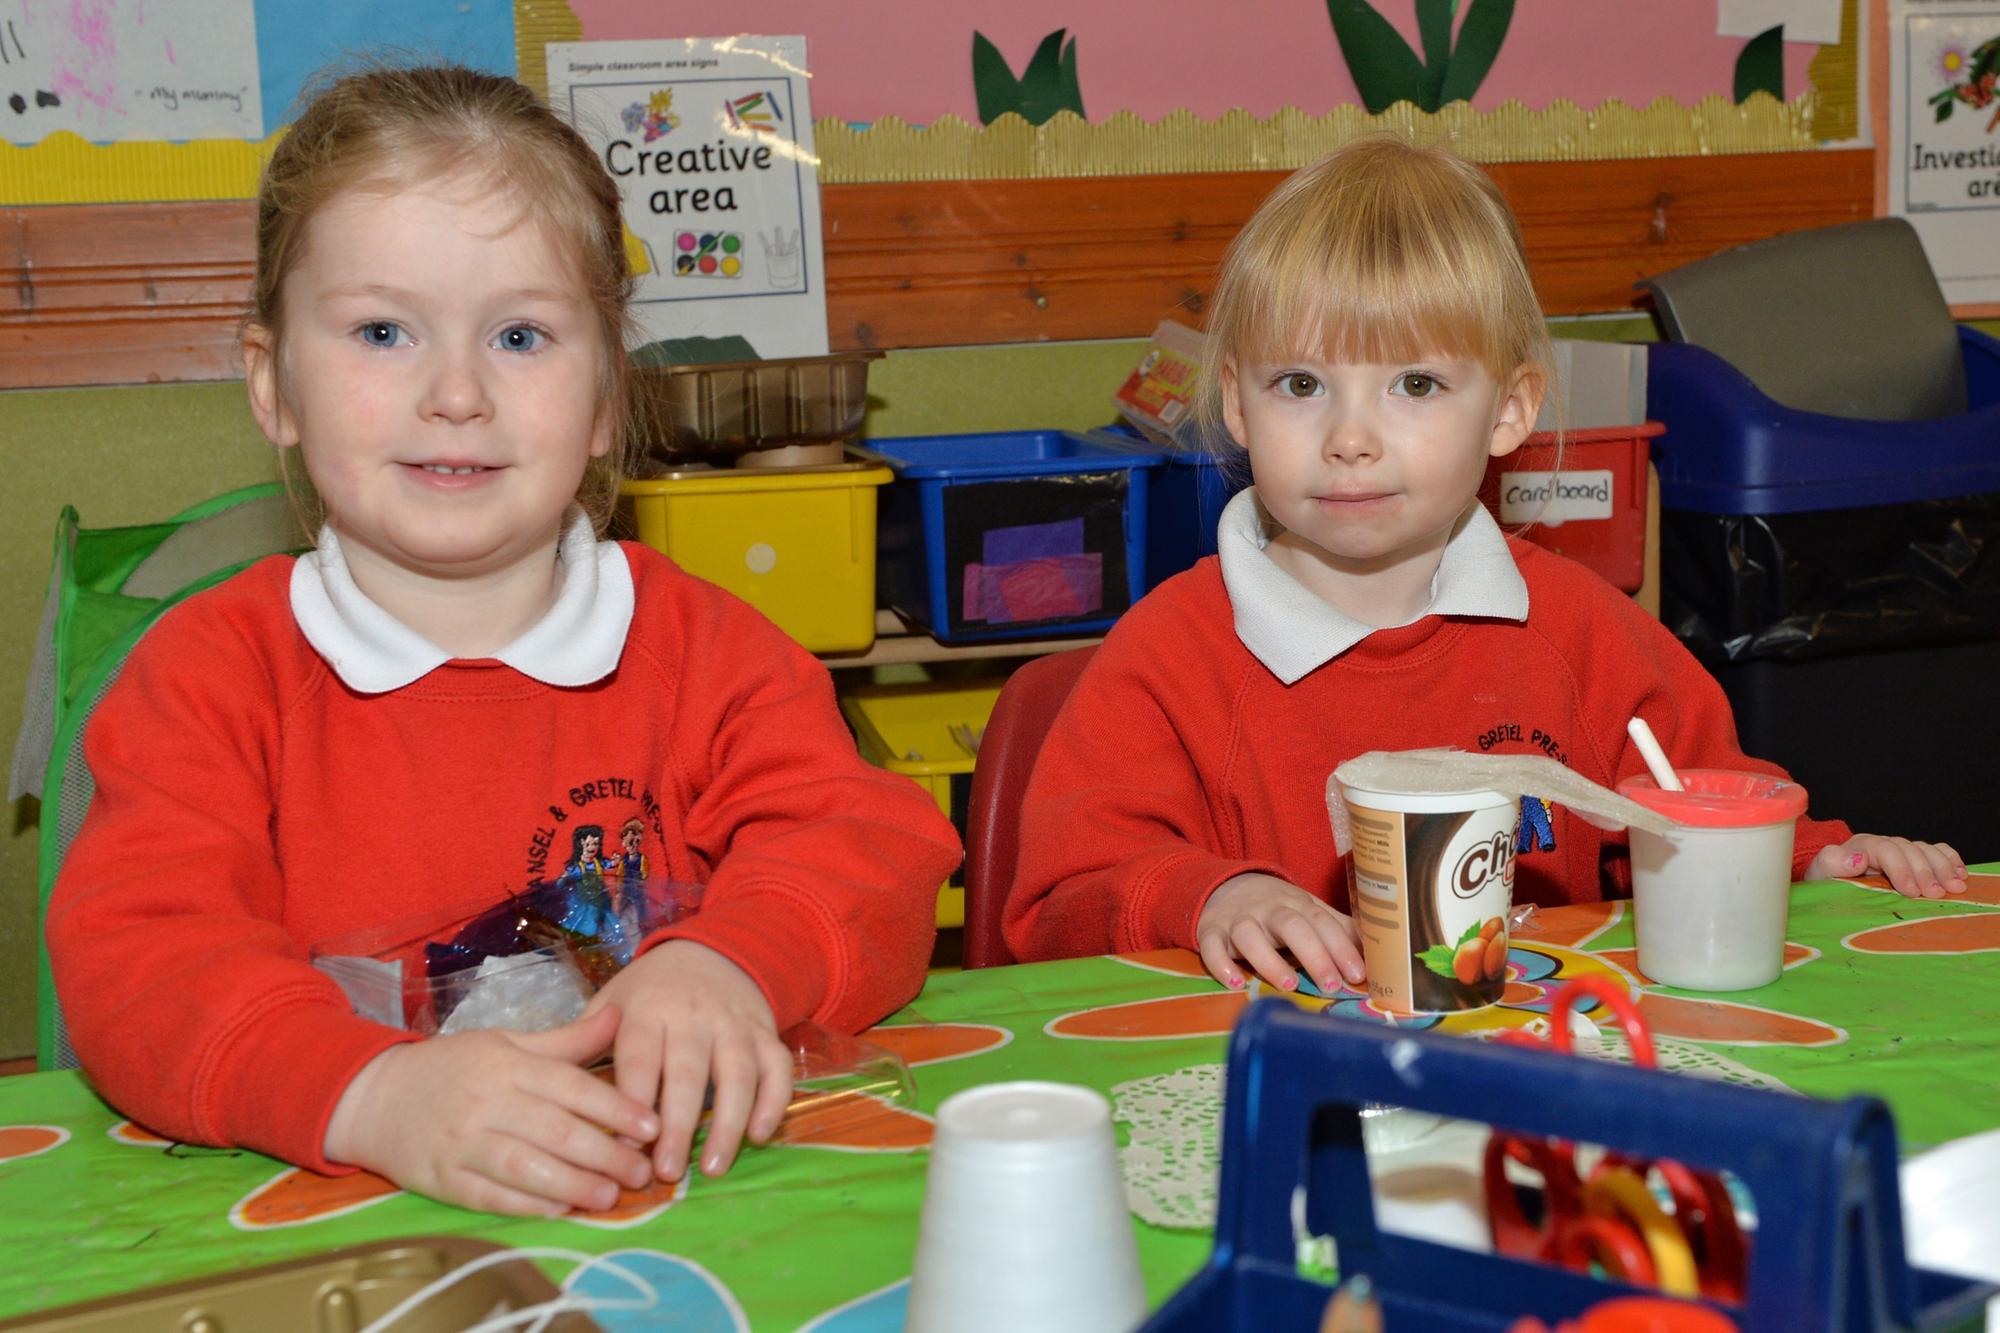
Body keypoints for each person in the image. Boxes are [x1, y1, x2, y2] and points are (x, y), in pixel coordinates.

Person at [46, 65, 959, 1217]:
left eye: (520, 335)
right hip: (338, 1228)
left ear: (605, 401)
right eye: (383, 330)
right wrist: (370, 1094)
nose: (457, 392)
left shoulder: (701, 647)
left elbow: (869, 847)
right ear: (273, 386)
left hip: (685, 1211)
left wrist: (732, 959)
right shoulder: (208, 677)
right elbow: (140, 966)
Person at [1003, 136, 1965, 994]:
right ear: (1237, 405)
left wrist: (1809, 861)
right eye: (1300, 383)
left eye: (1415, 383)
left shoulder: (1586, 633)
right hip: (1273, 1087)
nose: (1349, 437)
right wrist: (1208, 895)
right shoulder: (1169, 656)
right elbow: (1056, 905)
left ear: (1509, 411)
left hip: (1541, 1072)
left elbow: (1702, 801)